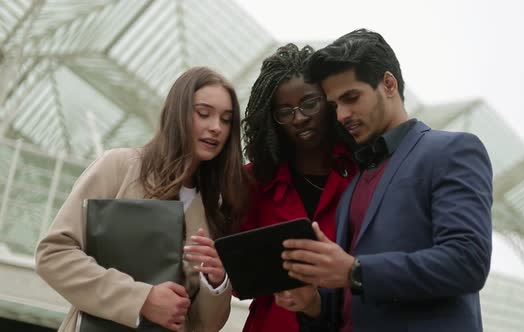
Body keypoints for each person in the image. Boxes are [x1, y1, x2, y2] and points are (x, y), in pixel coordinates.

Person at [278, 29, 493, 332]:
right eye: (335, 104)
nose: (342, 114)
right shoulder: (353, 185)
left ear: (389, 84)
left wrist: (354, 271)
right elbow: (345, 311)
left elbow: (467, 261)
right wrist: (312, 303)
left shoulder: (451, 151)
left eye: (351, 98)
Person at [35, 67, 251, 332]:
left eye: (227, 119)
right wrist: (141, 299)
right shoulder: (119, 167)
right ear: (177, 113)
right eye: (203, 113)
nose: (216, 127)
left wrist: (216, 284)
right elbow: (53, 254)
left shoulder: (215, 210)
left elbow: (204, 327)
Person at [239, 43, 357, 332]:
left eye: (309, 103)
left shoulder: (362, 172)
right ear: (271, 119)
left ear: (328, 101)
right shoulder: (252, 181)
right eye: (285, 111)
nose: (299, 118)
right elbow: (237, 279)